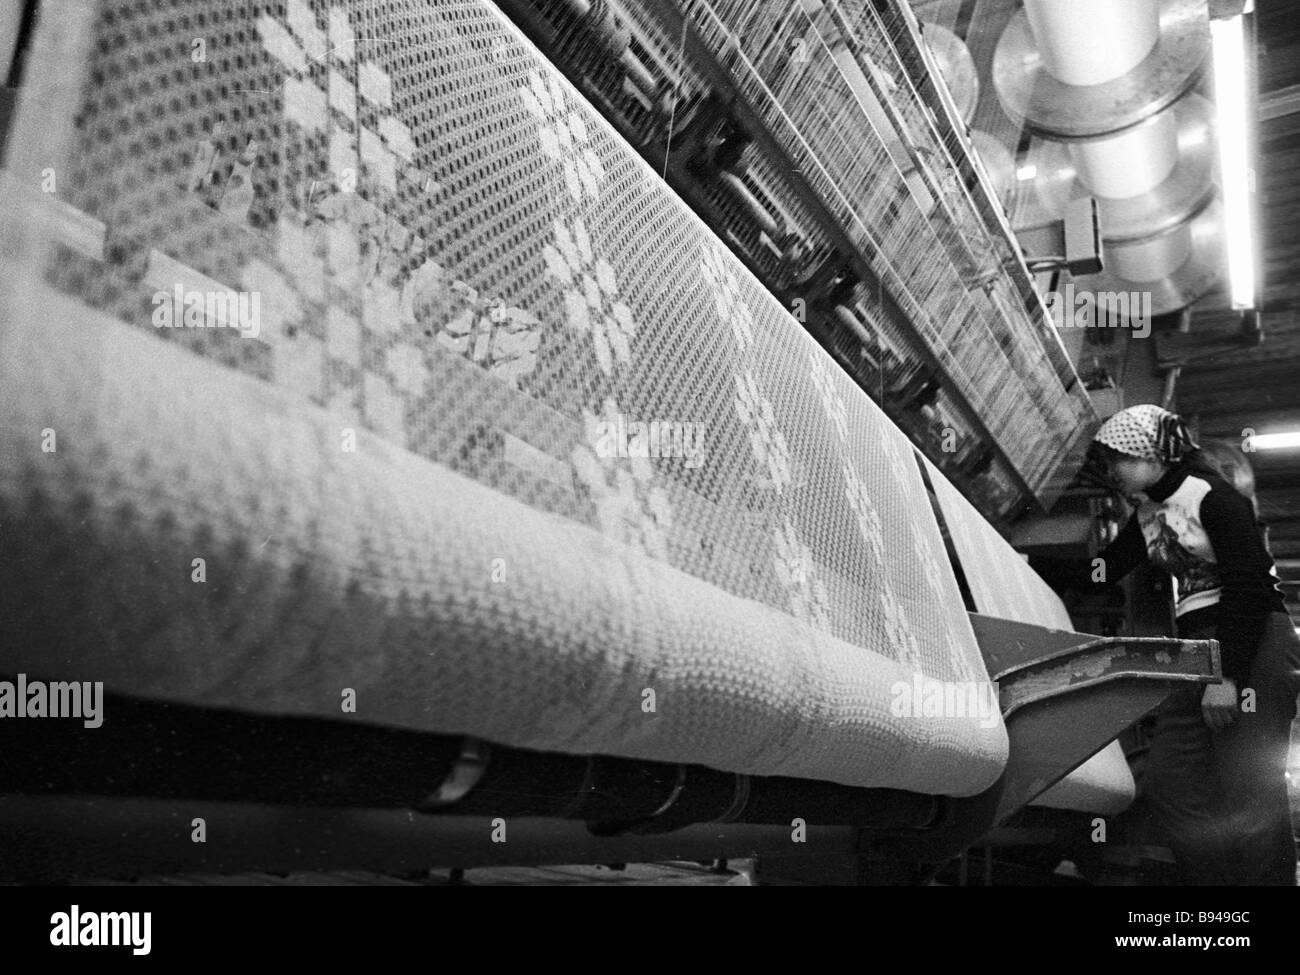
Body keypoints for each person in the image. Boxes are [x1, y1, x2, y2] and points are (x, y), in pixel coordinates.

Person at [1082, 404, 1299, 885]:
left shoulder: (1212, 497)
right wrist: (1011, 556)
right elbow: (1101, 572)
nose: (1111, 469)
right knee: (1172, 784)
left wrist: (1226, 675)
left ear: (1153, 453)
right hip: (1197, 647)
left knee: (1249, 791)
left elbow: (1248, 587)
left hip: (1251, 640)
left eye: (1118, 456)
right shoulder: (1149, 512)